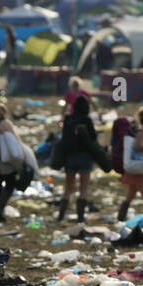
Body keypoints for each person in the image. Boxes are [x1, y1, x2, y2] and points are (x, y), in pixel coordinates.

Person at [57, 94, 99, 223]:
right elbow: (93, 138)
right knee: (83, 188)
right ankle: (80, 217)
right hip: (85, 157)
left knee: (68, 187)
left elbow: (63, 139)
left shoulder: (68, 119)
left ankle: (61, 215)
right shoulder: (87, 120)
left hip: (70, 156)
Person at [0, 100, 26, 223]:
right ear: (4, 112)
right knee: (10, 184)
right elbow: (15, 141)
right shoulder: (5, 123)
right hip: (4, 160)